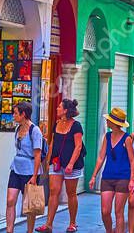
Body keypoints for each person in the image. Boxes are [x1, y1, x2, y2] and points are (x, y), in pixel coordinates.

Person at [39, 99, 84, 233]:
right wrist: (48, 161)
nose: (57, 109)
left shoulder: (76, 126)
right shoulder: (57, 124)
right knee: (53, 192)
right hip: (56, 163)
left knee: (71, 193)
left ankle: (72, 223)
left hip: (72, 165)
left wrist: (70, 163)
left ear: (65, 110)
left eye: (59, 107)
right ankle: (48, 224)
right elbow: (52, 143)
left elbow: (78, 146)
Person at [89, 107, 131, 233]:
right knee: (105, 211)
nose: (106, 122)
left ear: (114, 123)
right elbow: (101, 157)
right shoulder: (107, 137)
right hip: (107, 177)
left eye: (108, 120)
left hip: (123, 178)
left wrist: (132, 180)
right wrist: (93, 176)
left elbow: (132, 160)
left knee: (119, 212)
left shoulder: (127, 139)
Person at [6, 102, 43, 233]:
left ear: (24, 114)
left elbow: (38, 154)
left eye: (16, 113)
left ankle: (29, 231)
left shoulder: (35, 130)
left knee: (30, 206)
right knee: (10, 200)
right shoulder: (18, 129)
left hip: (30, 170)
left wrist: (34, 175)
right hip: (16, 168)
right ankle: (9, 230)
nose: (13, 116)